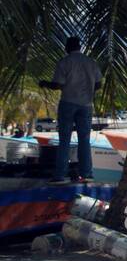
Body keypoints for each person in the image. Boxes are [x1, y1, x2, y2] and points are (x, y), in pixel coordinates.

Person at [40, 37, 103, 183]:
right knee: (84, 140)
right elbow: (98, 84)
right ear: (79, 47)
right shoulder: (91, 62)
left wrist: (44, 83)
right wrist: (88, 91)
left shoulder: (65, 62)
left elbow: (57, 85)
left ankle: (60, 176)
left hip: (68, 102)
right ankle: (86, 174)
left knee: (65, 140)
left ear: (68, 46)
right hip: (86, 105)